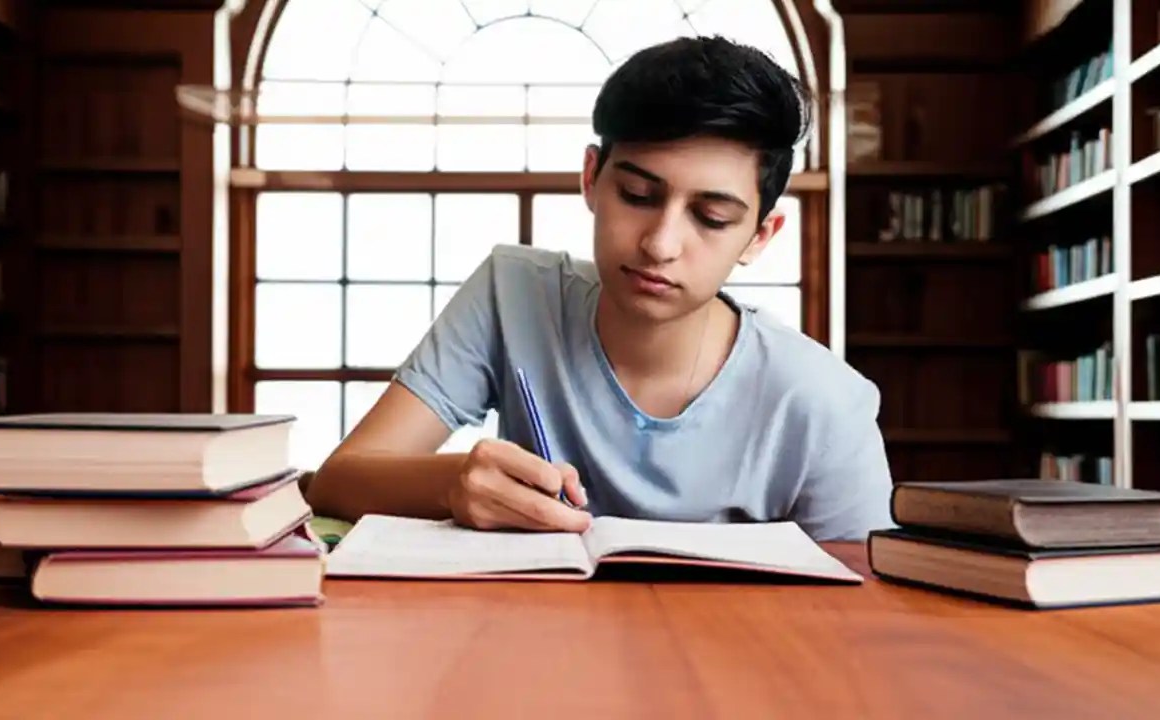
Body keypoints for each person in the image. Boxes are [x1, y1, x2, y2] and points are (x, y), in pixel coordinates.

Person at [306, 35, 894, 541]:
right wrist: (454, 484)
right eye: (638, 197)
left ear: (760, 236)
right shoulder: (512, 296)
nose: (660, 244)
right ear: (591, 178)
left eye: (711, 218)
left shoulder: (824, 403)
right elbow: (338, 480)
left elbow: (867, 604)